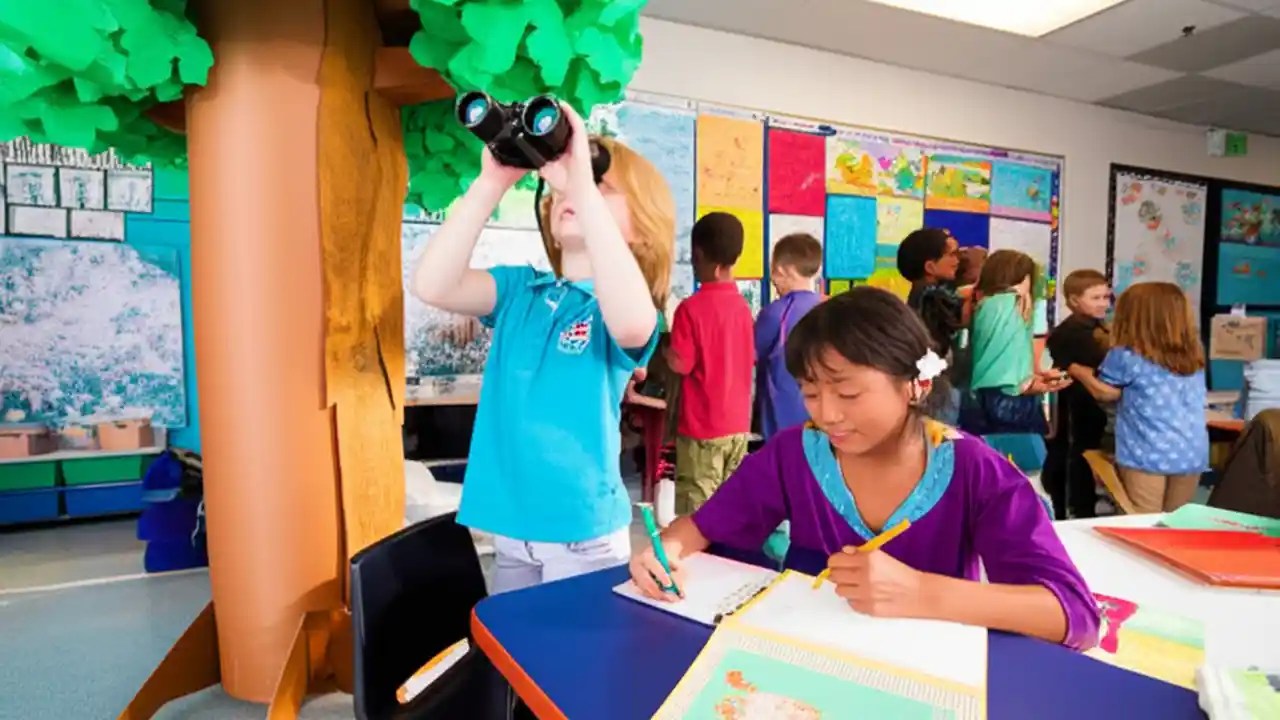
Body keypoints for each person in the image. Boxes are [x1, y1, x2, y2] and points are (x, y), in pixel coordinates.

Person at [630, 287, 1101, 651]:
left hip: (926, 679)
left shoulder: (976, 472)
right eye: (810, 392)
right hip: (803, 666)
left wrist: (920, 593)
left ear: (914, 384)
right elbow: (704, 526)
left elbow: (1076, 617)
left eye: (848, 393)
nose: (828, 413)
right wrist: (665, 551)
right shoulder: (795, 453)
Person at [412, 104, 674, 592]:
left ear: (640, 230)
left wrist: (578, 181)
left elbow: (636, 323)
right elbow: (433, 285)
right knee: (518, 655)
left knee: (573, 664)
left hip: (583, 532)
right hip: (512, 525)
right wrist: (492, 181)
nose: (571, 194)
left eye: (601, 188)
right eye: (561, 191)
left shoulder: (615, 309)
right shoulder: (521, 291)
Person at [1068, 282, 1208, 515]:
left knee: (1142, 520)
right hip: (1191, 450)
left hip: (1147, 452)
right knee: (1177, 521)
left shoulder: (1126, 355)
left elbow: (1105, 391)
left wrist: (1078, 371)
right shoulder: (1193, 354)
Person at [666, 212, 755, 513]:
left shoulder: (689, 309)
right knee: (730, 509)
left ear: (698, 255)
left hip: (702, 428)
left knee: (696, 513)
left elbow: (682, 365)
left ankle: (698, 561)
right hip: (738, 427)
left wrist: (665, 349)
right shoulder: (743, 307)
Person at [961, 250, 1068, 435]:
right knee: (1020, 458)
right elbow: (1007, 361)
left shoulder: (982, 303)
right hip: (1011, 397)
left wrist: (1033, 376)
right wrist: (1027, 384)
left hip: (981, 395)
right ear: (1025, 277)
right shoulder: (1014, 302)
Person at [1043, 270, 1111, 519]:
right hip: (1075, 407)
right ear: (1073, 300)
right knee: (1076, 459)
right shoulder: (1069, 333)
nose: (1103, 303)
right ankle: (1072, 511)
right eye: (1095, 298)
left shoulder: (1099, 327)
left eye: (1105, 297)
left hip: (1091, 406)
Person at [756, 232, 824, 439]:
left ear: (781, 271)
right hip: (821, 420)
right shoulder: (828, 308)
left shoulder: (775, 313)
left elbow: (749, 355)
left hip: (781, 422)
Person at [897, 228, 964, 423]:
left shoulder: (922, 293)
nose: (957, 260)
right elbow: (960, 311)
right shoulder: (932, 296)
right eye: (951, 255)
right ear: (930, 267)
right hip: (935, 386)